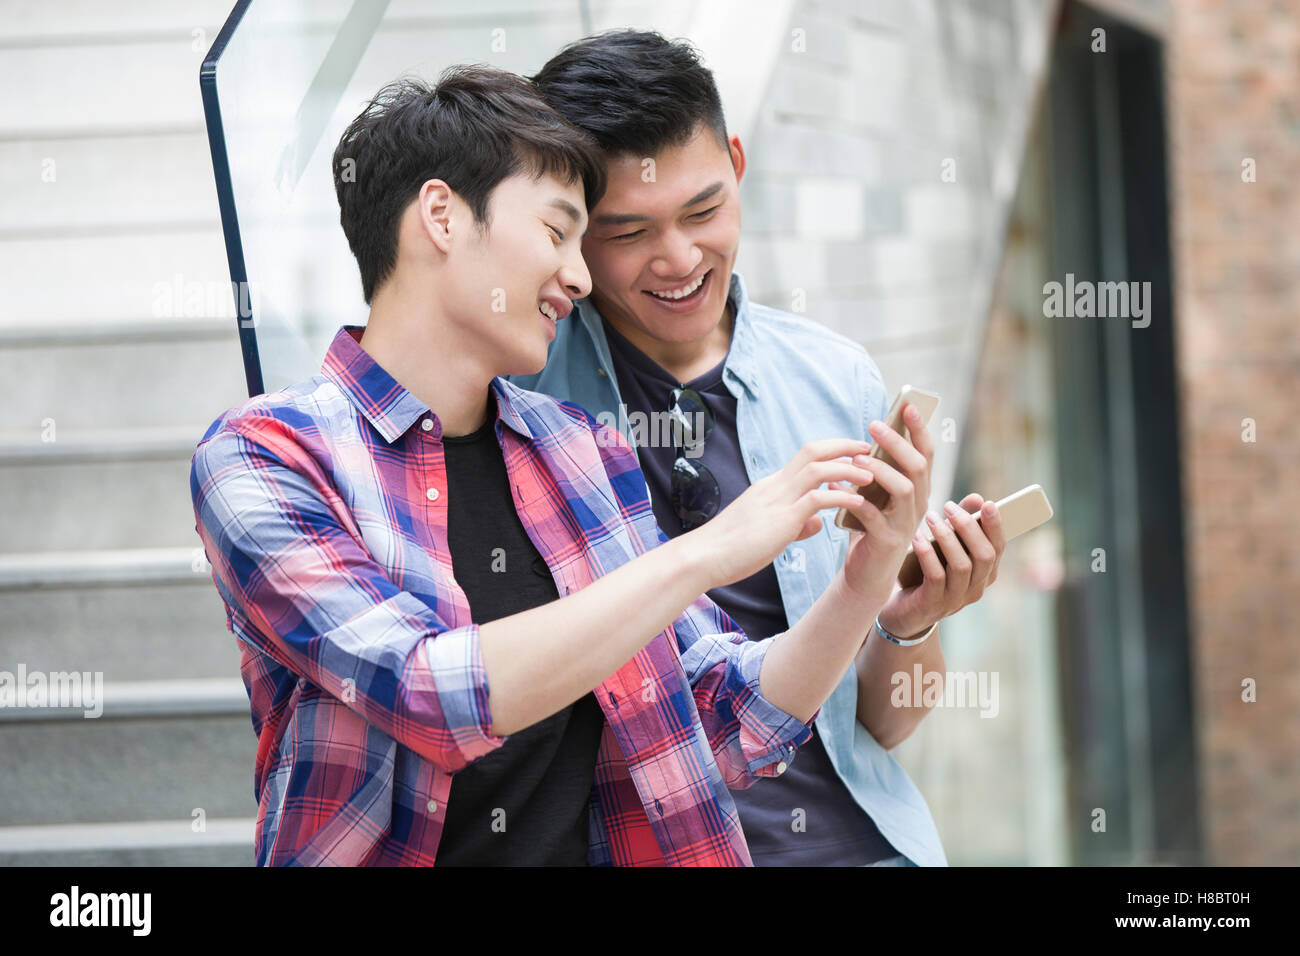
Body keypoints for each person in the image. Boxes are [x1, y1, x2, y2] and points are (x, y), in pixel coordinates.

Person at [189, 65, 937, 866]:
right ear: (441, 216)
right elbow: (428, 693)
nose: (579, 278)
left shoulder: (580, 450)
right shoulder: (267, 456)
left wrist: (867, 577)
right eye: (557, 232)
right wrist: (708, 549)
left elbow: (727, 719)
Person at [510, 30, 1007, 866]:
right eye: (628, 230)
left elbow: (878, 728)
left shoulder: (834, 379)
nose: (679, 259)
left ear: (738, 163)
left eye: (704, 212)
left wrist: (910, 625)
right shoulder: (523, 398)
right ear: (567, 230)